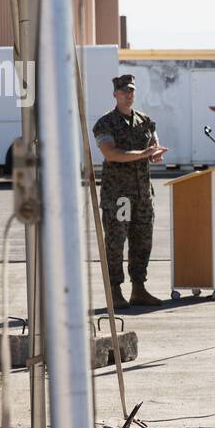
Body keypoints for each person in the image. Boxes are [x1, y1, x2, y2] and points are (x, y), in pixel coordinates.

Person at [92, 74, 167, 308]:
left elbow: (153, 148)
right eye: (124, 91)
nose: (128, 95)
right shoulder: (105, 123)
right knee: (116, 242)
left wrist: (154, 155)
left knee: (142, 241)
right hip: (119, 197)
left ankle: (139, 288)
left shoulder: (145, 122)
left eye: (132, 91)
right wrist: (144, 154)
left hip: (142, 194)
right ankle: (114, 291)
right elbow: (110, 153)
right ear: (115, 94)